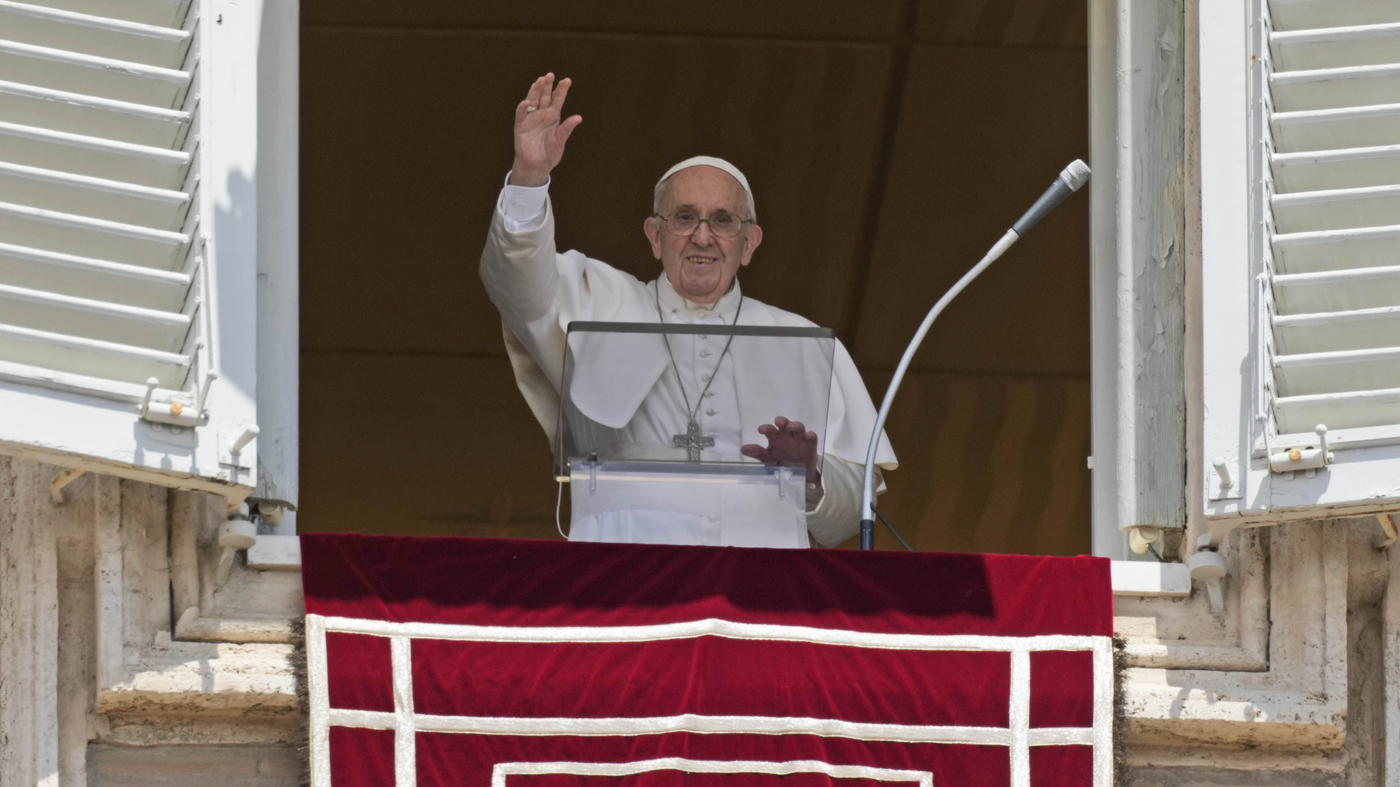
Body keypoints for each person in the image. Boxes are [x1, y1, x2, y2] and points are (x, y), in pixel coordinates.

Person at [480, 73, 896, 548]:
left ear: (748, 244)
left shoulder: (800, 339)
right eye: (684, 217)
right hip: (624, 571)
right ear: (654, 236)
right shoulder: (599, 299)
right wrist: (530, 178)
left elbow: (849, 521)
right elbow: (516, 284)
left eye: (722, 220)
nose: (702, 236)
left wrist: (811, 475)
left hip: (759, 581)